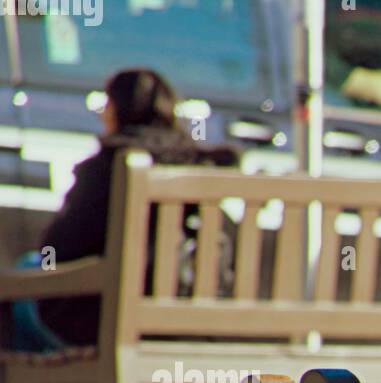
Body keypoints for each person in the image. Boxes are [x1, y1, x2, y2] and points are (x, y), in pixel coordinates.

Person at [32, 68, 238, 348]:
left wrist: (39, 265)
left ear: (115, 111)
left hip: (109, 324)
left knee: (25, 279)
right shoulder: (204, 168)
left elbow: (59, 249)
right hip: (199, 324)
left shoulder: (108, 167)